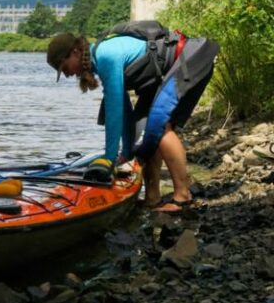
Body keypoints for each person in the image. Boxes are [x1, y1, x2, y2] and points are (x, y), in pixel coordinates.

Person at [46, 22, 219, 212]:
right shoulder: (100, 60)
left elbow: (114, 112)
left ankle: (182, 197)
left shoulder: (106, 56)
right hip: (166, 74)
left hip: (189, 60)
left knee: (159, 127)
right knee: (142, 135)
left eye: (64, 67)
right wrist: (127, 153)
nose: (67, 74)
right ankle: (153, 198)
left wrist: (109, 159)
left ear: (76, 52)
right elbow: (125, 111)